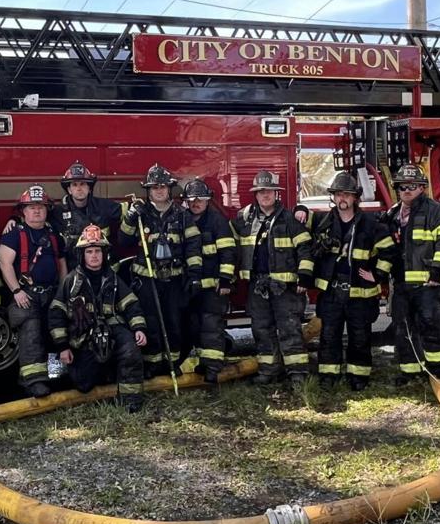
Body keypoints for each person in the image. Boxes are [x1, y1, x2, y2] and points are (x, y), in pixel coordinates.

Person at [49, 225, 148, 412]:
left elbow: (131, 304)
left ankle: (131, 402)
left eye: (98, 251)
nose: (94, 255)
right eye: (89, 251)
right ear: (82, 255)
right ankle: (105, 374)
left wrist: (139, 329)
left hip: (113, 327)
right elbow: (56, 313)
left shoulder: (114, 278)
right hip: (85, 334)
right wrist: (62, 347)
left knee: (130, 352)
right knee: (83, 384)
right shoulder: (71, 281)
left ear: (104, 254)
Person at [311, 171, 395, 390]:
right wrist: (301, 210)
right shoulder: (324, 222)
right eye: (338, 194)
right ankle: (329, 377)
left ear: (355, 197)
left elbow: (389, 252)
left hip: (360, 293)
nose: (342, 199)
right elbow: (300, 227)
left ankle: (358, 378)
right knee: (329, 335)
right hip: (332, 291)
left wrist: (376, 275)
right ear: (334, 197)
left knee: (360, 336)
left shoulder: (370, 224)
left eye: (347, 195)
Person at [120, 164, 202, 377]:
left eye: (163, 187)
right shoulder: (141, 213)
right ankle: (152, 365)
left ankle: (172, 364)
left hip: (174, 280)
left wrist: (194, 276)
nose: (159, 191)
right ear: (148, 190)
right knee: (151, 322)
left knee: (174, 322)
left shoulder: (182, 215)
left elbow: (193, 246)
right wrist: (130, 217)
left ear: (169, 189)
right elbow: (123, 240)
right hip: (146, 280)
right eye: (154, 187)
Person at [232, 170, 314, 385]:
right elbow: (229, 241)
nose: (265, 195)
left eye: (268, 191)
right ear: (255, 195)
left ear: (276, 193)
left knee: (289, 329)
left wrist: (304, 277)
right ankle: (269, 371)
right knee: (261, 329)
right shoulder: (245, 218)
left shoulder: (290, 219)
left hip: (285, 287)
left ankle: (297, 374)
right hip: (258, 285)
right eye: (260, 191)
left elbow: (305, 248)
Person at [384, 163, 440, 381]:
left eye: (412, 185)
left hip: (428, 283)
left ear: (421, 188)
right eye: (402, 186)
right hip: (402, 284)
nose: (407, 190)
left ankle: (438, 369)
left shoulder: (435, 211)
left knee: (430, 324)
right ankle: (410, 372)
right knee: (404, 327)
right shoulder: (392, 215)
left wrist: (437, 272)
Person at [0, 184, 67, 398]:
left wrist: (64, 290)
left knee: (56, 332)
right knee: (31, 334)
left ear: (47, 210)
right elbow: (5, 264)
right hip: (26, 295)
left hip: (51, 292)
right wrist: (17, 291)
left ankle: (59, 373)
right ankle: (34, 381)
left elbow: (62, 263)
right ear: (23, 211)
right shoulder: (14, 235)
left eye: (40, 207)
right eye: (31, 207)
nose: (36, 211)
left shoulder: (53, 234)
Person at [179, 178, 237, 385]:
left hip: (213, 286)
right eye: (192, 200)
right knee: (192, 325)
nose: (196, 204)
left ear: (208, 201)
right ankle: (200, 364)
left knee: (211, 326)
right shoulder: (182, 219)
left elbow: (228, 252)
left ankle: (212, 371)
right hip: (191, 287)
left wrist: (225, 280)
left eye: (200, 200)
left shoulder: (217, 221)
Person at [50, 160, 122, 269]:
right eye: (74, 185)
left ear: (89, 188)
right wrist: (15, 219)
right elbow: (35, 217)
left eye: (83, 184)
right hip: (74, 270)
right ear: (69, 190)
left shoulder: (104, 206)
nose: (79, 188)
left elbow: (128, 210)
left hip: (104, 269)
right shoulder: (58, 212)